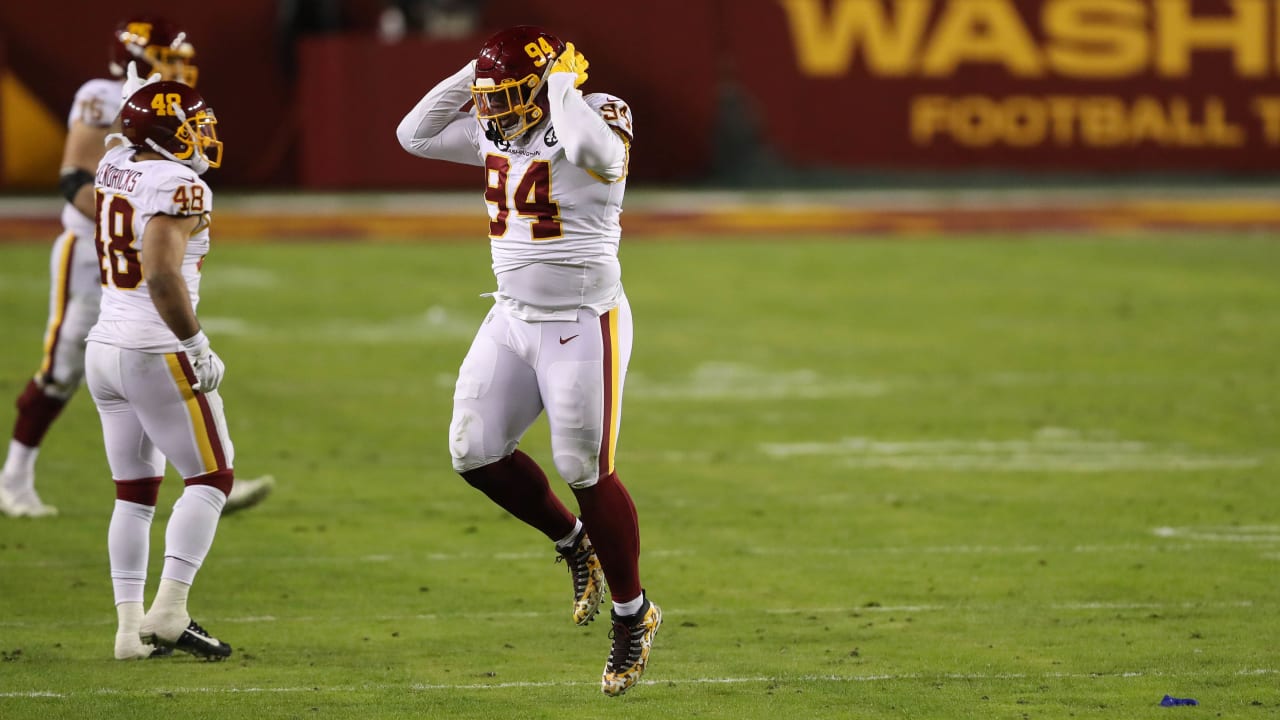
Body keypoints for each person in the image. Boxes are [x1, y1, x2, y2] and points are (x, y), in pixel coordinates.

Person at [396, 26, 660, 696]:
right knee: (474, 450)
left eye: (510, 96)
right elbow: (414, 134)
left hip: (580, 320)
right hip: (511, 316)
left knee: (583, 467)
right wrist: (476, 71)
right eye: (491, 99)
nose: (493, 112)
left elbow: (591, 150)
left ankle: (634, 614)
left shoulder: (595, 111)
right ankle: (575, 544)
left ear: (547, 88)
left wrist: (563, 84)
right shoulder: (496, 124)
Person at [0, 18, 274, 519]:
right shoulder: (102, 95)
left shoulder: (164, 102)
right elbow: (73, 179)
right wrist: (134, 229)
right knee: (62, 369)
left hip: (132, 249)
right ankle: (13, 477)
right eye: (167, 58)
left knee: (161, 355)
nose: (177, 67)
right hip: (92, 251)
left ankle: (210, 474)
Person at [86, 75, 236, 661]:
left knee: (135, 492)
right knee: (211, 478)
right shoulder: (180, 185)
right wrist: (195, 342)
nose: (202, 136)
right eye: (193, 125)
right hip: (154, 350)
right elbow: (161, 273)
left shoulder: (116, 162)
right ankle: (170, 610)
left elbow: (117, 147)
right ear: (168, 133)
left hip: (105, 349)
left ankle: (128, 633)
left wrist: (139, 100)